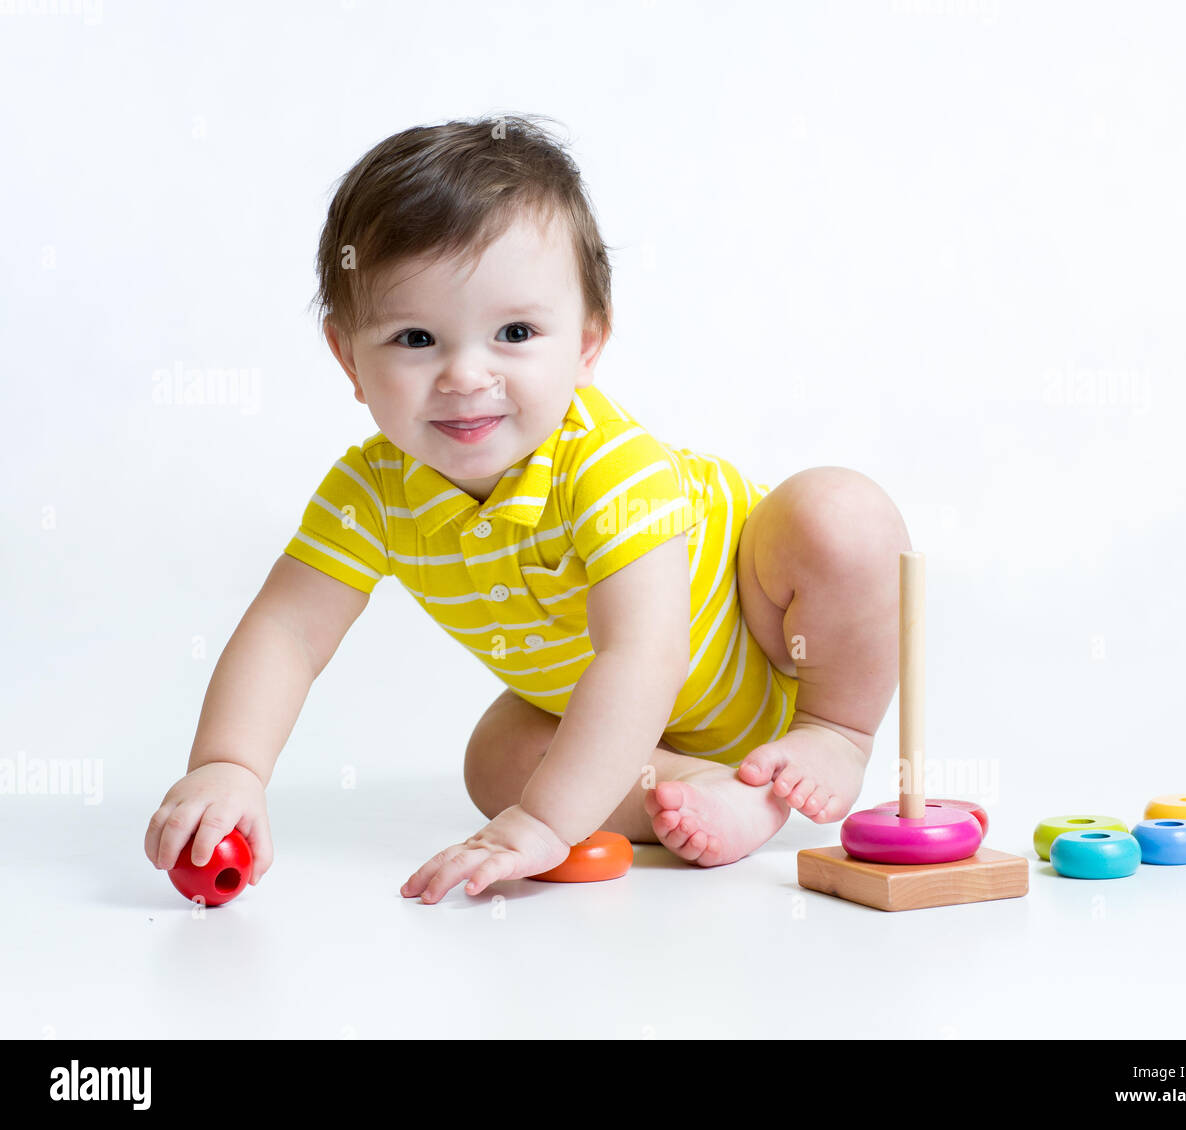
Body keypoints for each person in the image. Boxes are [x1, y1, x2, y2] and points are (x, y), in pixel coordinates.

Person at [144, 114, 911, 905]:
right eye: (415, 338)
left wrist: (544, 824)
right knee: (495, 760)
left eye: (514, 332)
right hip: (618, 726)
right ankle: (717, 792)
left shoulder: (610, 468)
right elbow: (287, 631)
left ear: (586, 343)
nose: (466, 375)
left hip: (765, 636)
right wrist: (229, 766)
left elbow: (642, 655)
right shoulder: (371, 491)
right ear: (348, 357)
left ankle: (833, 735)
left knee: (839, 515)